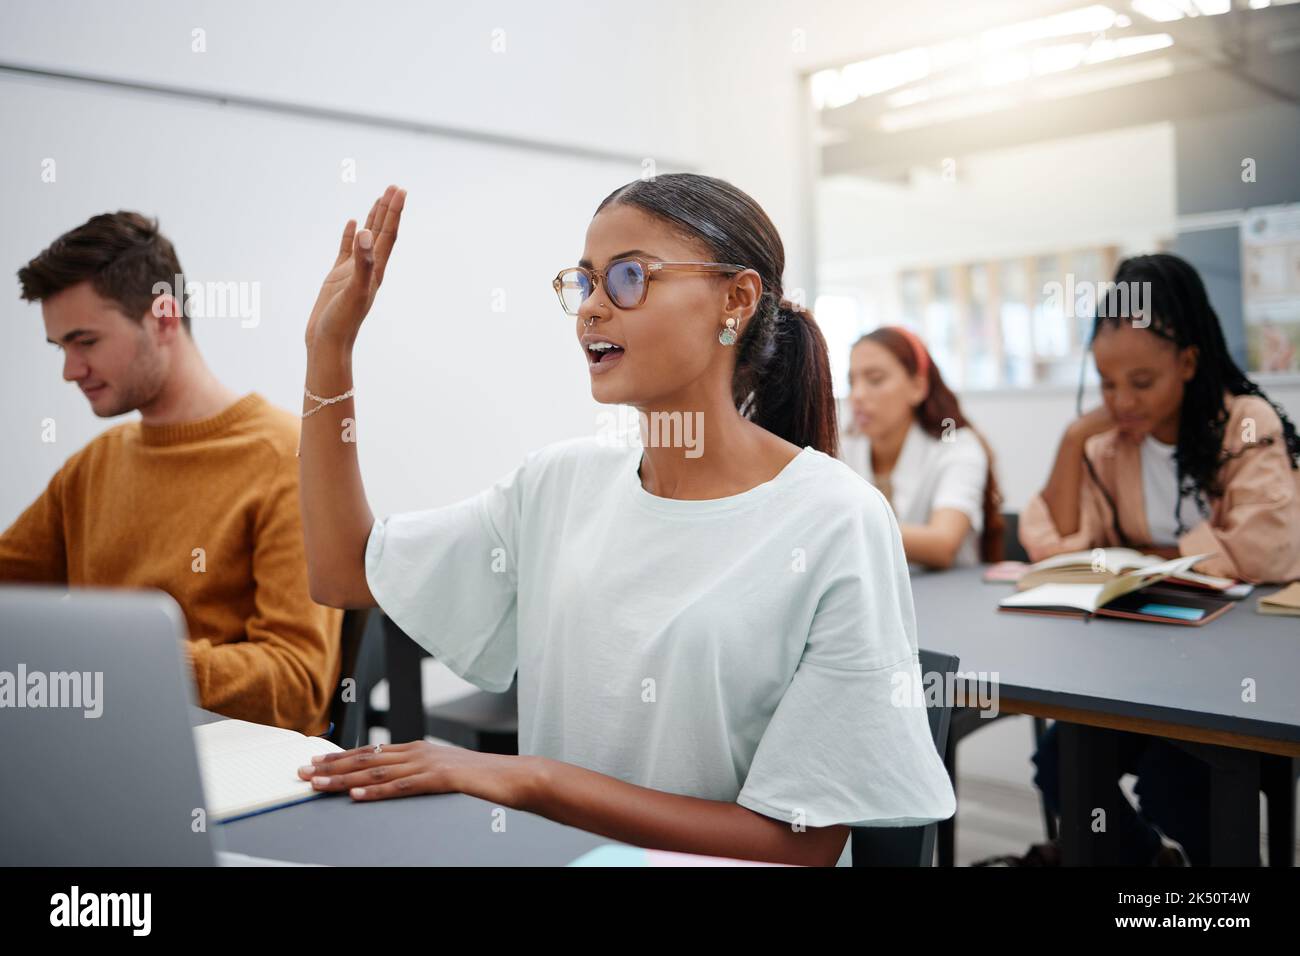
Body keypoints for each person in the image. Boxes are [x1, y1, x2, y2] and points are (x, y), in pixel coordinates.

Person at [294, 177, 955, 866]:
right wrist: (328, 349)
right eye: (585, 283)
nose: (592, 311)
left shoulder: (836, 518)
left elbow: (799, 844)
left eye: (629, 278)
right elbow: (344, 570)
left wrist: (532, 780)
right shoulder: (559, 483)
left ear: (736, 300)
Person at [985, 253, 1300, 867]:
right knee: (1061, 764)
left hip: (1234, 675)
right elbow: (1053, 547)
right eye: (1106, 383)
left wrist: (1150, 554)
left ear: (1187, 362)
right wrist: (1075, 437)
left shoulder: (1245, 423)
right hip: (1138, 667)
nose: (1121, 400)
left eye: (1141, 382)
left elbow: (1271, 549)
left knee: (1174, 781)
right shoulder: (1106, 444)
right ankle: (1153, 870)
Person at [3, 211, 342, 735]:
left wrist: (128, 663)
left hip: (217, 760)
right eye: (60, 348)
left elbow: (298, 688)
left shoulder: (283, 457)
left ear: (162, 318)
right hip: (97, 740)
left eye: (85, 342)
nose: (69, 370)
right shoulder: (93, 466)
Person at [840, 326, 1004, 569]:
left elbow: (943, 544)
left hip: (949, 596)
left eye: (875, 380)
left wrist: (843, 524)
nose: (858, 395)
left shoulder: (957, 447)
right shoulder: (846, 446)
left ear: (917, 388)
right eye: (852, 381)